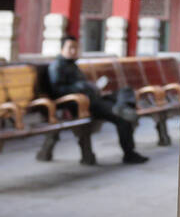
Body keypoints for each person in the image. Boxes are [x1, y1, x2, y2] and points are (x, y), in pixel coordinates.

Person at [45, 36, 148, 165]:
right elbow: (57, 91)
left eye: (75, 48)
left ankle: (122, 106)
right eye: (70, 48)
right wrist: (84, 87)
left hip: (94, 98)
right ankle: (129, 153)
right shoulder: (56, 67)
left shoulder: (73, 65)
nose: (73, 51)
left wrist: (94, 87)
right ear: (61, 49)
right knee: (122, 118)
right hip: (84, 104)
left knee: (126, 90)